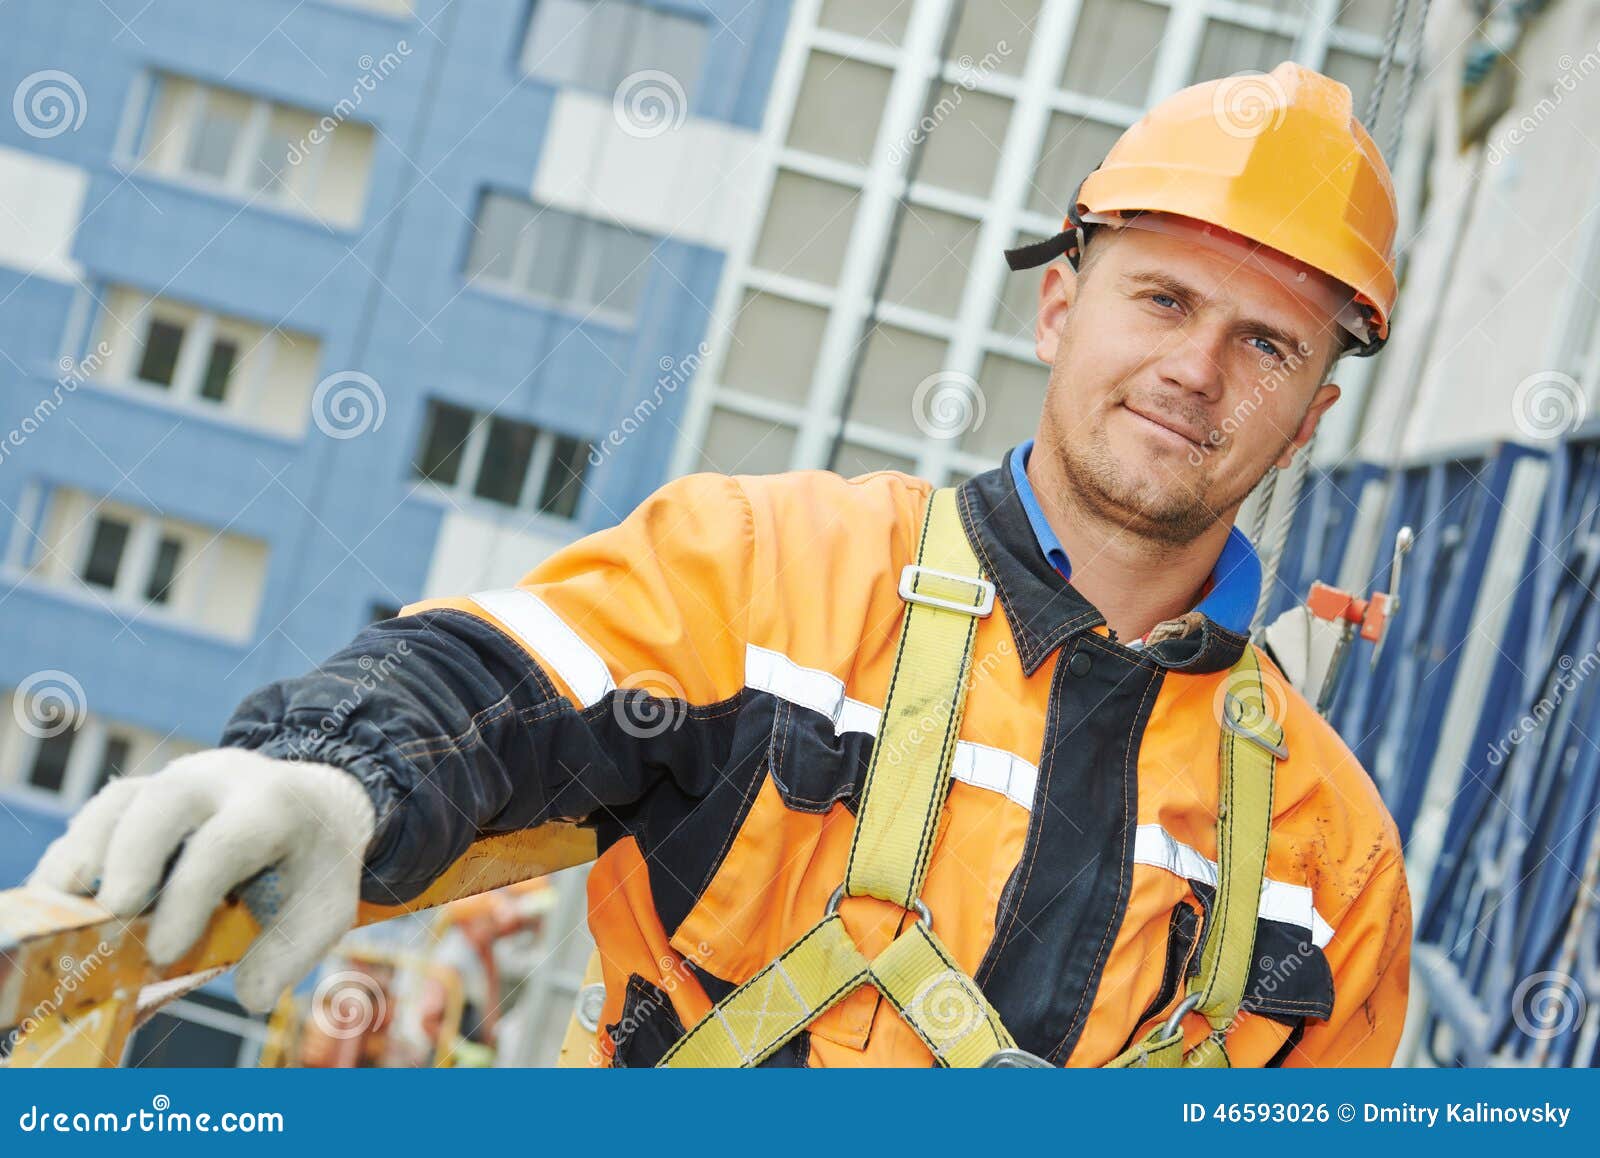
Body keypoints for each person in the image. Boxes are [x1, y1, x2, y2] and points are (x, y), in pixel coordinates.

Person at [29, 61, 1412, 1068]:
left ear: (1312, 416)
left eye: (1267, 343)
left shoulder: (1331, 857)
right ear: (1061, 306)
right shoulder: (777, 575)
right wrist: (335, 778)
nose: (1196, 368)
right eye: (1163, 299)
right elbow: (503, 679)